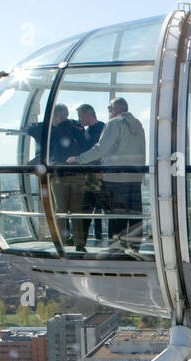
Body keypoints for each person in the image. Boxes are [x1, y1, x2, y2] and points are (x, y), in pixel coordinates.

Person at [68, 98, 146, 248]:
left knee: (117, 217)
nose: (108, 111)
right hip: (135, 177)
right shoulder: (138, 126)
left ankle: (117, 248)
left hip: (116, 178)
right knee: (134, 215)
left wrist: (79, 159)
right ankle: (135, 247)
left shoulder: (114, 124)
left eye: (109, 108)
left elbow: (101, 149)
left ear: (116, 109)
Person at [27, 104, 89, 248]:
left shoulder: (49, 130)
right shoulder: (68, 128)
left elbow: (31, 129)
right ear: (58, 116)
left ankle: (64, 241)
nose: (65, 118)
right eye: (63, 116)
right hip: (71, 175)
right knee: (73, 210)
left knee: (64, 209)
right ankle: (76, 242)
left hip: (60, 175)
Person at [74, 104, 107, 243]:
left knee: (93, 207)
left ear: (88, 115)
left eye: (80, 116)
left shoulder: (102, 129)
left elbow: (100, 151)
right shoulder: (89, 130)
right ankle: (83, 241)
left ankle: (83, 241)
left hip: (96, 175)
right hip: (89, 175)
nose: (79, 119)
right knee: (89, 208)